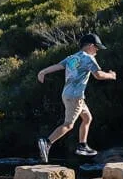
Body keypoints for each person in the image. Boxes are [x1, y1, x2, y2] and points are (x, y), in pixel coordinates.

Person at [36, 33, 115, 161]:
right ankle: (47, 142)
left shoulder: (72, 58)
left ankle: (82, 145)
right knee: (68, 125)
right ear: (90, 46)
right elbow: (98, 75)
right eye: (96, 47)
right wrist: (111, 76)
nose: (97, 51)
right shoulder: (88, 58)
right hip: (75, 97)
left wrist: (43, 71)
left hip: (67, 94)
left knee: (87, 118)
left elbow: (58, 66)